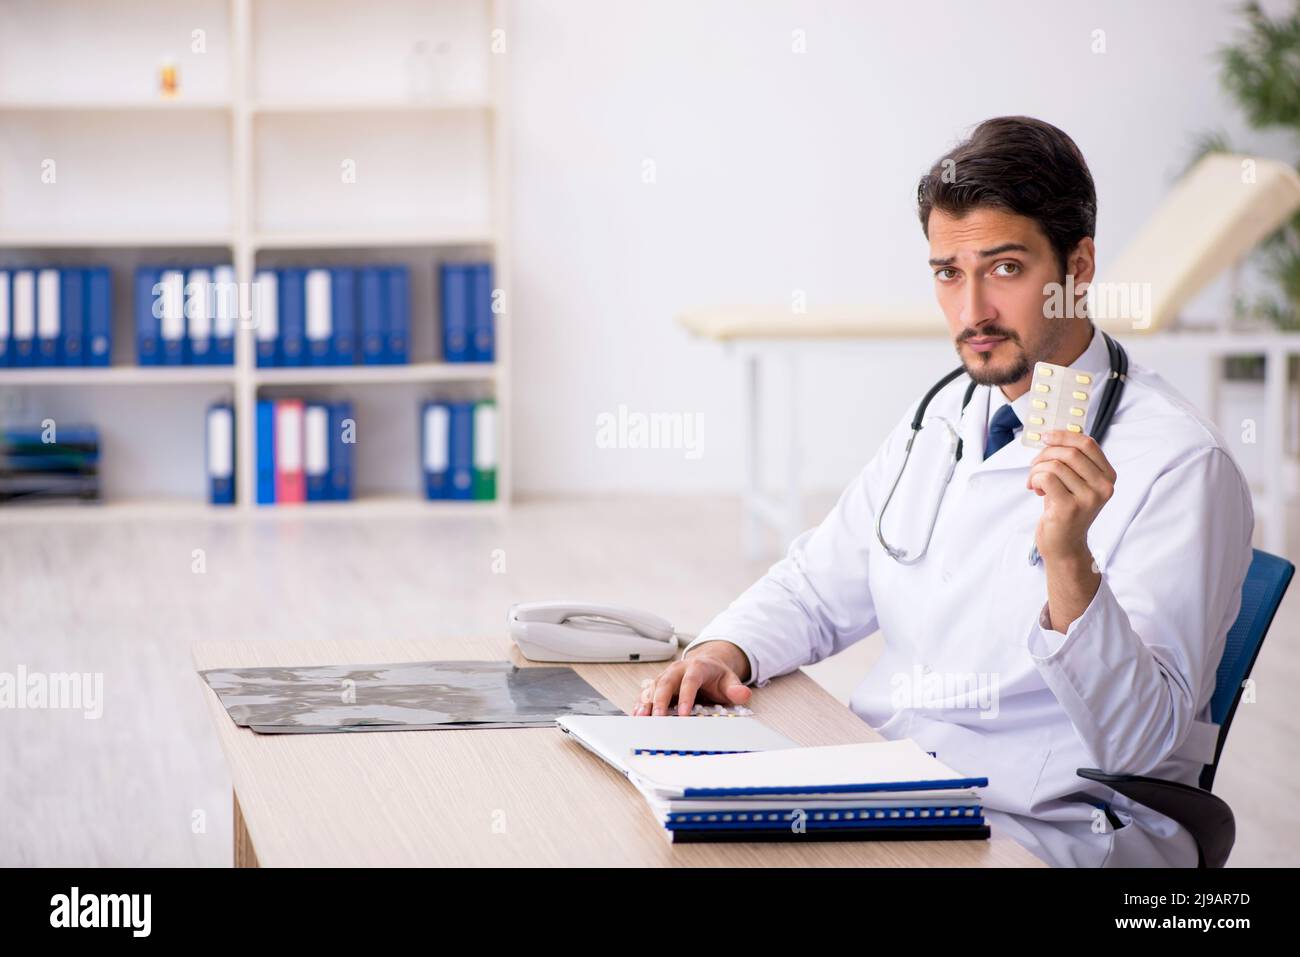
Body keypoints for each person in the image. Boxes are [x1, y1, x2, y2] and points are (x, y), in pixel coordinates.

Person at [635, 116, 1255, 867]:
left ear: (1079, 266)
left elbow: (1141, 743)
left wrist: (1069, 565)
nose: (972, 314)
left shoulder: (1180, 463)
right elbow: (820, 581)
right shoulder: (945, 414)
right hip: (892, 781)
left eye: (1004, 269)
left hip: (1049, 824)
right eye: (947, 274)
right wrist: (721, 649)